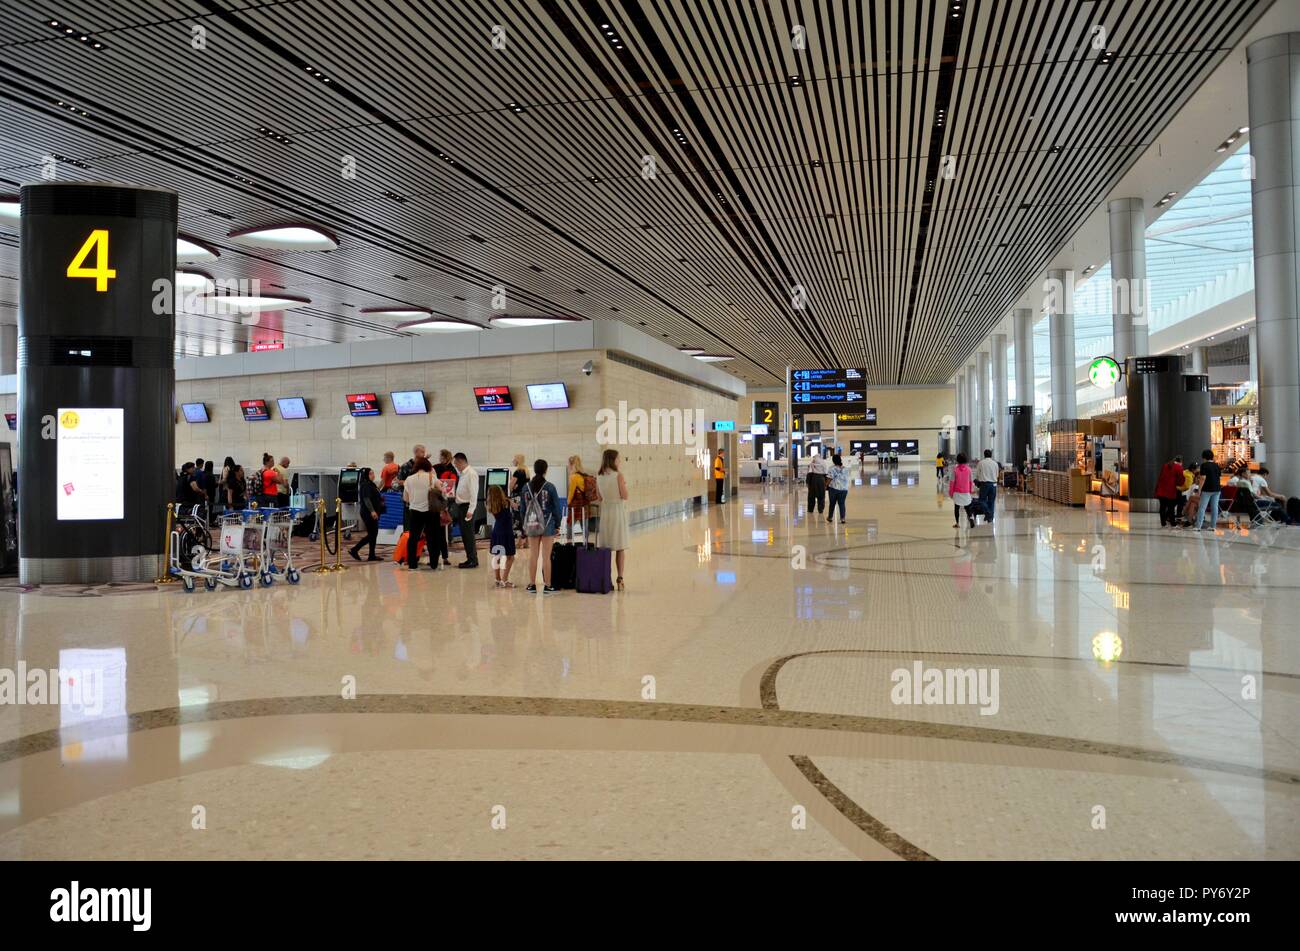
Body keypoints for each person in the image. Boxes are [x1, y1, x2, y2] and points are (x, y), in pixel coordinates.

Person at [520, 459, 561, 593]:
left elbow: (522, 509)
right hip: (548, 524)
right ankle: (548, 585)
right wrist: (558, 524)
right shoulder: (550, 487)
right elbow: (556, 508)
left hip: (532, 524)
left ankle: (532, 584)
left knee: (533, 555)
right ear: (545, 470)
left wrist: (523, 526)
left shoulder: (526, 488)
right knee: (546, 557)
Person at [597, 449, 630, 590]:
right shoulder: (618, 476)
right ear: (613, 460)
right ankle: (620, 577)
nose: (620, 461)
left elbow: (599, 498)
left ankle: (606, 577)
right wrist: (624, 486)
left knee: (607, 546)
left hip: (606, 512)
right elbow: (625, 495)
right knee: (620, 546)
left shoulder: (598, 476)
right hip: (617, 511)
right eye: (618, 458)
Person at [401, 457, 436, 570]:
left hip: (415, 511)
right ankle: (434, 563)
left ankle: (412, 564)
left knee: (413, 538)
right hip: (430, 511)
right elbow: (442, 491)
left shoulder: (409, 479)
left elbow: (405, 498)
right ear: (427, 466)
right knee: (431, 537)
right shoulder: (432, 477)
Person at [349, 466, 386, 562]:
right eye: (371, 473)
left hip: (372, 512)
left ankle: (371, 555)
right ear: (366, 475)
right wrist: (372, 511)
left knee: (373, 533)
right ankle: (354, 549)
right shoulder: (365, 485)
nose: (373, 475)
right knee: (372, 534)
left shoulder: (371, 484)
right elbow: (366, 499)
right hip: (368, 513)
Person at [452, 451, 480, 568]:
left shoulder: (471, 474)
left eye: (456, 464)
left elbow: (474, 494)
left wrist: (471, 510)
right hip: (461, 507)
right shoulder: (463, 474)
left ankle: (473, 560)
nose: (456, 467)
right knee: (465, 535)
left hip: (467, 507)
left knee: (468, 535)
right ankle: (470, 558)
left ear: (460, 462)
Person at [487, 485, 515, 588]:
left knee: (497, 556)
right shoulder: (506, 503)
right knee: (510, 557)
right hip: (506, 533)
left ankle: (497, 579)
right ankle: (505, 579)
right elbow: (514, 505)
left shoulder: (491, 505)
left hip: (496, 532)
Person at [567, 454, 597, 536]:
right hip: (585, 503)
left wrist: (568, 503)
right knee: (584, 525)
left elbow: (571, 493)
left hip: (576, 505)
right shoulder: (583, 475)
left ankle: (569, 541)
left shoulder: (573, 477)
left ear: (571, 465)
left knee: (569, 524)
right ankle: (586, 544)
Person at [1193, 449, 1222, 532]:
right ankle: (1213, 526)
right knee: (1214, 507)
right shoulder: (1216, 465)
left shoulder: (1204, 465)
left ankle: (1198, 526)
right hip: (1217, 489)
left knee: (1202, 507)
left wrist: (1199, 490)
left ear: (1204, 457)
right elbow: (1219, 477)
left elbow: (1203, 478)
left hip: (1207, 489)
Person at [1154, 455, 1184, 528]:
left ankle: (1163, 523)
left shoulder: (1165, 465)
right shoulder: (1179, 467)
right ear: (1181, 462)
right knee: (1171, 507)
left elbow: (1161, 477)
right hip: (1170, 490)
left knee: (1162, 507)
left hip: (1161, 489)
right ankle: (1173, 524)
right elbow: (1180, 480)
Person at [949, 452, 976, 528]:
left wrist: (951, 493)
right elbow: (971, 481)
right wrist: (971, 490)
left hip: (957, 492)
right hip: (966, 491)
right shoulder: (969, 470)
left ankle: (957, 523)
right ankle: (970, 518)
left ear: (957, 460)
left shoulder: (955, 470)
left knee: (956, 507)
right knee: (967, 507)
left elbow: (952, 482)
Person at [974, 449, 1000, 525]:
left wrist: (978, 480)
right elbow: (997, 475)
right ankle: (990, 518)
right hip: (993, 485)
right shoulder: (995, 463)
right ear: (991, 455)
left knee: (982, 500)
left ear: (984, 455)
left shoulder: (981, 463)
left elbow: (978, 474)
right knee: (991, 501)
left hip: (984, 484)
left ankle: (988, 512)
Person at [826, 453, 849, 523]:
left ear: (833, 461)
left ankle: (830, 517)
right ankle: (843, 518)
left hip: (833, 489)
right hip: (844, 489)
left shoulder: (832, 468)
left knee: (832, 503)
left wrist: (825, 485)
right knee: (842, 504)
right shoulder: (845, 469)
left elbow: (829, 478)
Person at [806, 449, 828, 514]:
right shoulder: (823, 463)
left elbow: (809, 473)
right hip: (821, 479)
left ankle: (810, 509)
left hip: (813, 478)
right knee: (821, 495)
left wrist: (807, 482)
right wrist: (826, 483)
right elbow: (825, 472)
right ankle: (820, 509)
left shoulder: (811, 464)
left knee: (811, 495)